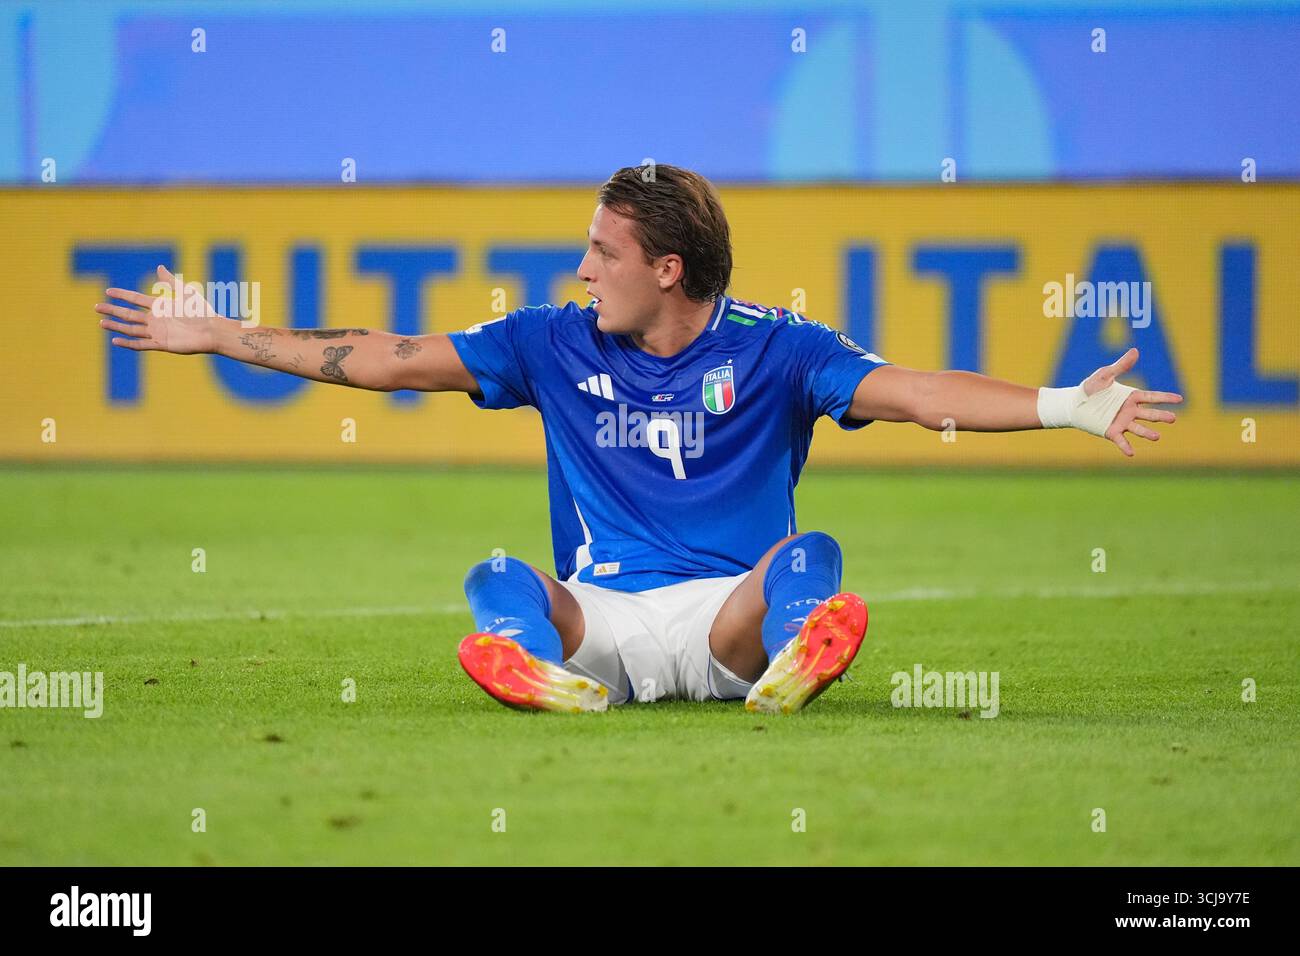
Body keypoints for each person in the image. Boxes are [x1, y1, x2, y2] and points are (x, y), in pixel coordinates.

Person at [94, 164, 1182, 716]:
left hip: (730, 618)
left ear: (666, 269)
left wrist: (1061, 403)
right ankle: (533, 667)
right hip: (601, 617)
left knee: (810, 560)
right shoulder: (546, 342)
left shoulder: (781, 348)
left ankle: (795, 659)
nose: (582, 269)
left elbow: (911, 392)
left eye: (601, 251)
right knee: (496, 573)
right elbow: (383, 357)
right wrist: (222, 334)